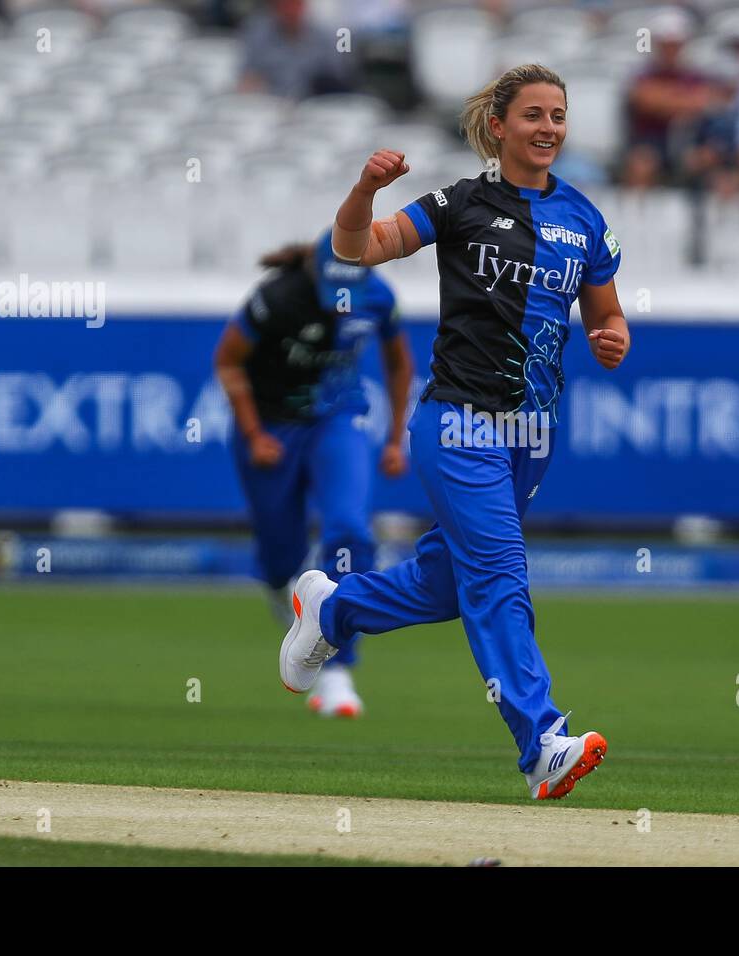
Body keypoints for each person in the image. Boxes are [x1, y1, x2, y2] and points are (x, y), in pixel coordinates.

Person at [279, 63, 630, 801]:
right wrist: (366, 189)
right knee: (501, 576)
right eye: (533, 115)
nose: (549, 129)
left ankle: (334, 609)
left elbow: (604, 311)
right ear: (498, 126)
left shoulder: (585, 219)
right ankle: (542, 743)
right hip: (459, 422)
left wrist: (611, 335)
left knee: (448, 582)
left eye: (558, 116)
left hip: (532, 436)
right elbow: (359, 248)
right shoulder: (462, 203)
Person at [214, 229, 413, 718]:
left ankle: (340, 670)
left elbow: (399, 363)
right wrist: (254, 432)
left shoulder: (379, 296)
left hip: (337, 418)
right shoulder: (277, 297)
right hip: (272, 427)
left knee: (349, 528)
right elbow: (228, 361)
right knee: (280, 562)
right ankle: (300, 616)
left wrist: (393, 438)